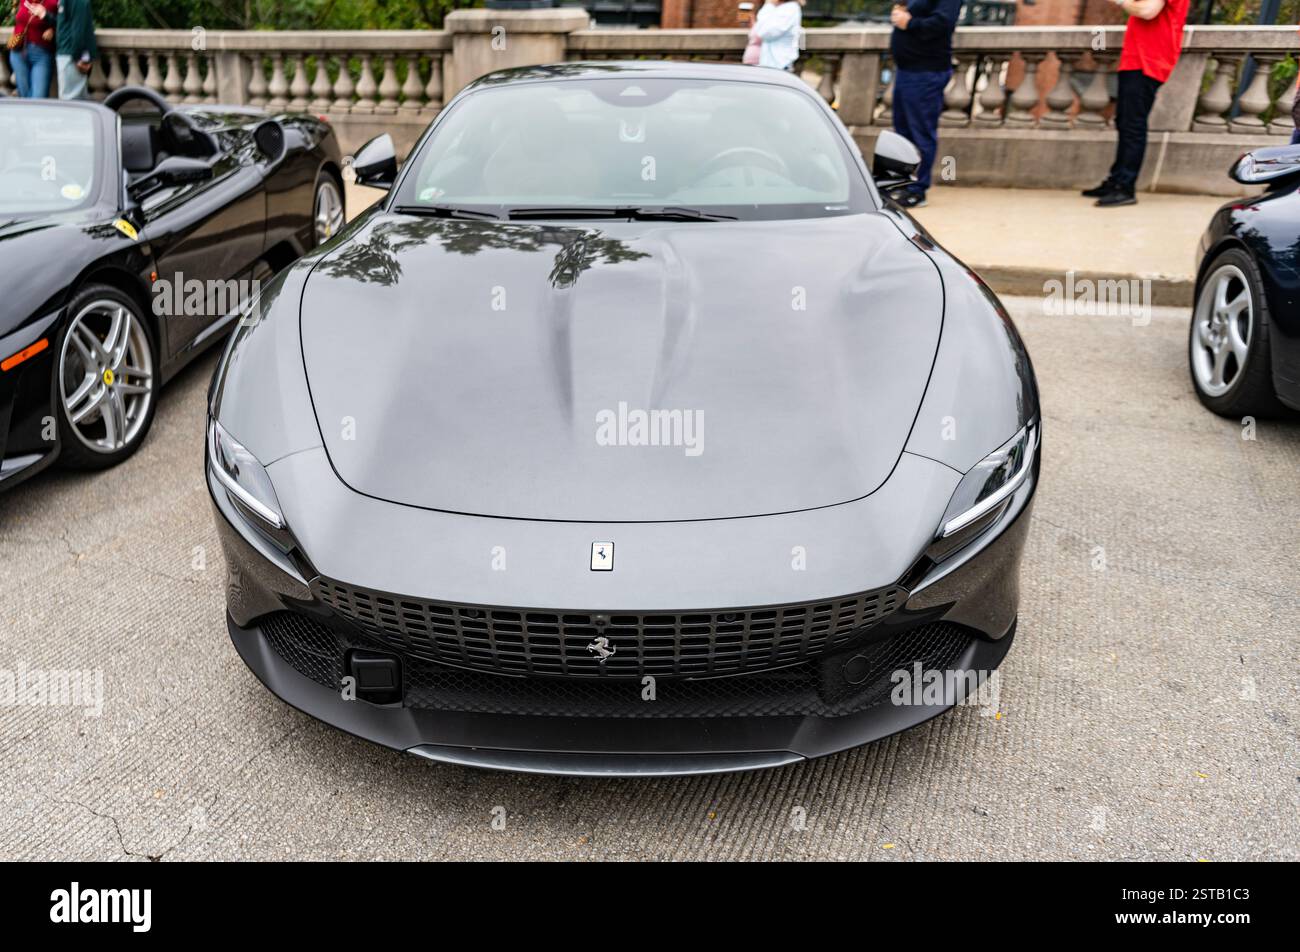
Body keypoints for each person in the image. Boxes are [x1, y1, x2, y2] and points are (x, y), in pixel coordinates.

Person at [1082, 0, 1190, 207]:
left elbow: (1147, 11)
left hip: (1148, 61)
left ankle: (1125, 187)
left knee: (1133, 125)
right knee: (1125, 122)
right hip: (1138, 60)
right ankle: (1116, 181)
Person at [889, 0, 961, 208]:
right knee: (903, 132)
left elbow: (943, 23)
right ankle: (902, 183)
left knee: (921, 132)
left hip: (926, 72)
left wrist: (909, 23)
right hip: (908, 70)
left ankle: (917, 190)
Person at [7, 1, 57, 98]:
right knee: (24, 97)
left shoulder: (53, 3)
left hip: (41, 54)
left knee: (39, 97)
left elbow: (64, 23)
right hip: (18, 53)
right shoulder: (23, 1)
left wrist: (53, 30)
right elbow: (19, 19)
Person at [53, 0, 94, 100]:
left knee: (70, 101)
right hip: (68, 54)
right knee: (76, 100)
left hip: (71, 56)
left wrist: (76, 58)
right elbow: (63, 24)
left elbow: (79, 31)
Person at [752, 0, 802, 73]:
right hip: (774, 64)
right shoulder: (783, 8)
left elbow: (765, 33)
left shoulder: (790, 8)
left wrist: (768, 5)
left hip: (780, 65)